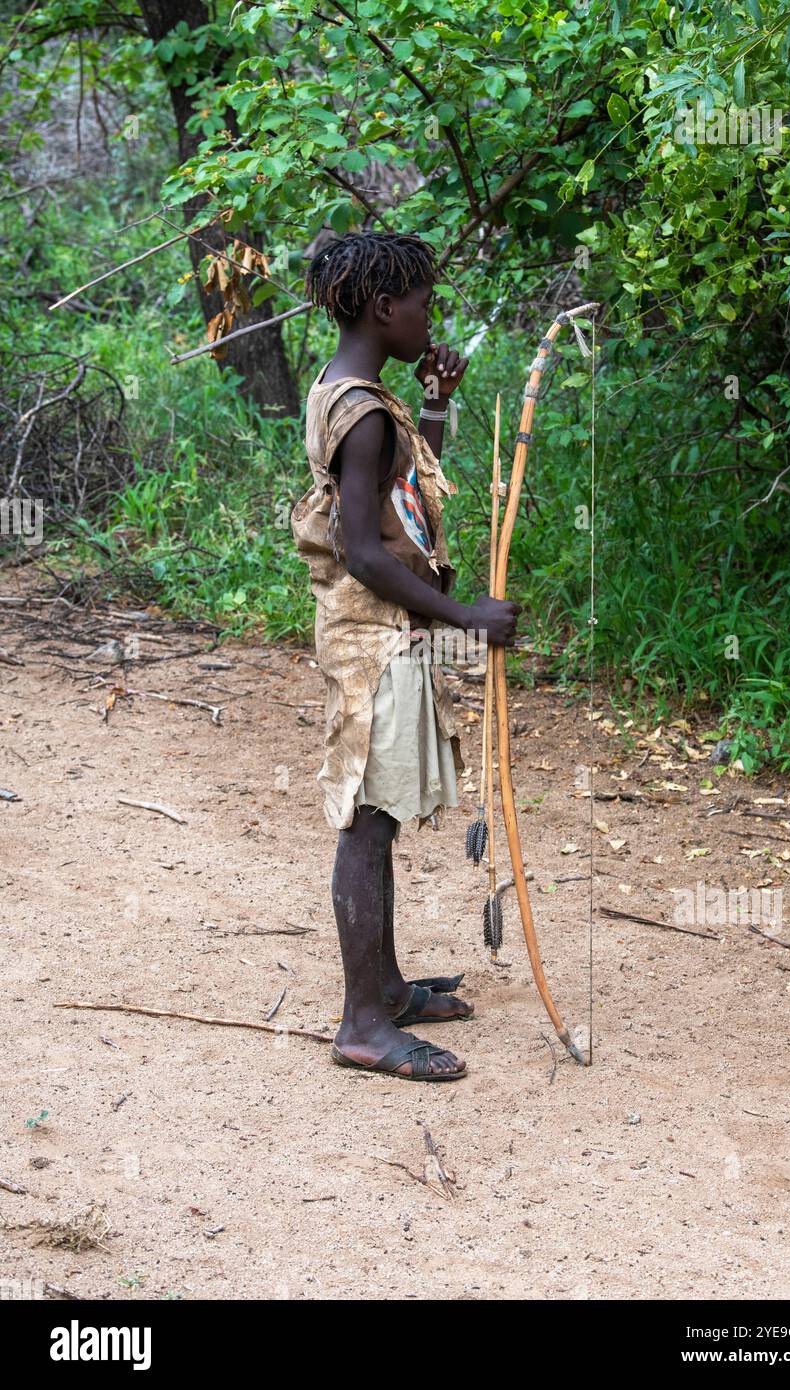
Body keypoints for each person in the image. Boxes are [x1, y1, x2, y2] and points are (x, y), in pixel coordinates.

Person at [291, 231, 518, 1081]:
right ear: (385, 309)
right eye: (424, 302)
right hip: (372, 641)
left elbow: (397, 505)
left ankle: (384, 988)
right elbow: (363, 550)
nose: (432, 315)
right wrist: (466, 614)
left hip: (377, 633)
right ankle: (361, 1024)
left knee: (377, 817)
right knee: (365, 821)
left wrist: (433, 409)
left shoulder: (352, 392)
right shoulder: (361, 415)